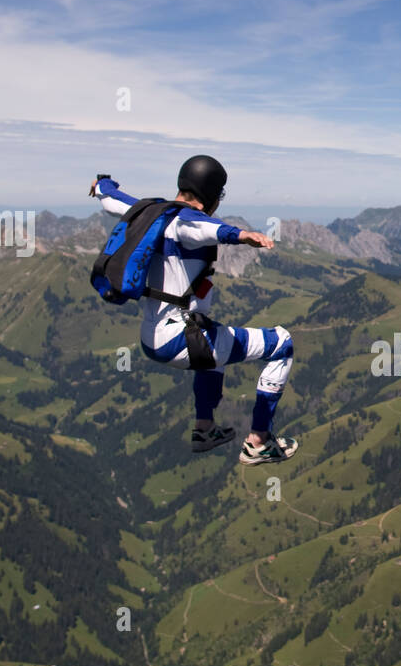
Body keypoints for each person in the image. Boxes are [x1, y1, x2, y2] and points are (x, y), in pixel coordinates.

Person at [89, 155, 298, 464]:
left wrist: (102, 183)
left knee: (218, 341)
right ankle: (260, 441)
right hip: (181, 341)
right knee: (282, 343)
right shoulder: (188, 222)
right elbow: (205, 229)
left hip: (153, 339)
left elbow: (112, 200)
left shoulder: (147, 212)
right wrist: (243, 236)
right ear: (212, 194)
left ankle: (204, 428)